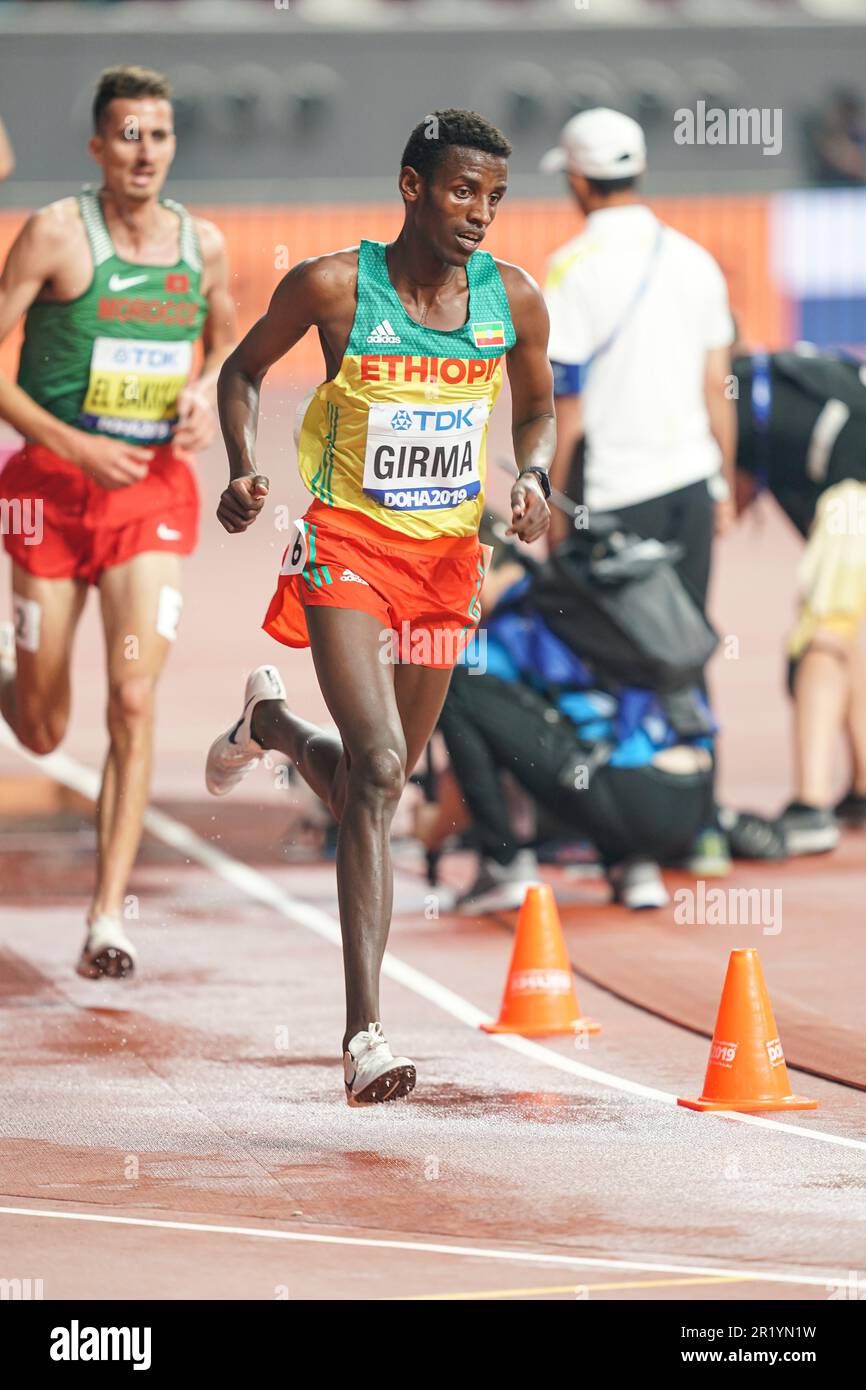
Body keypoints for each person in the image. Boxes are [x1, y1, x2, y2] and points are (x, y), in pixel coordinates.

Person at [206, 108, 553, 1106]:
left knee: (373, 785)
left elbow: (536, 401)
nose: (479, 214)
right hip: (346, 546)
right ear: (411, 188)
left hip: (447, 561)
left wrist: (530, 470)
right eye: (460, 191)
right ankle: (363, 1033)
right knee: (387, 767)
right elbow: (240, 371)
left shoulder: (513, 301)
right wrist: (240, 469)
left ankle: (266, 721)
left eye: (493, 196)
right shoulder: (332, 288)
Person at [0, 65, 236, 977]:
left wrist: (205, 392)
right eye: (128, 135)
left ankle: (108, 917)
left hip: (147, 491)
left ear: (173, 146)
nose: (145, 152)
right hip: (53, 491)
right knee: (45, 727)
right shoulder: (57, 234)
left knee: (134, 698)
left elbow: (222, 331)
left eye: (160, 136)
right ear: (99, 148)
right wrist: (73, 443)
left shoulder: (201, 244)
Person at [539, 106, 737, 874]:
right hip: (688, 482)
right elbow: (716, 387)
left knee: (614, 654)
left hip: (613, 493)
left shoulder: (571, 266)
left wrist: (551, 498)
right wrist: (721, 480)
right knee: (685, 648)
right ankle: (704, 821)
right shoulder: (694, 258)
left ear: (581, 181)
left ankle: (624, 825)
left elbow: (568, 400)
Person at [435, 519, 715, 913]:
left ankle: (504, 866)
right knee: (578, 727)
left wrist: (434, 830)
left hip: (632, 797)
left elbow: (476, 735)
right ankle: (631, 864)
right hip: (695, 800)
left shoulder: (510, 621)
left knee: (455, 686)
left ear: (477, 566)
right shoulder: (575, 593)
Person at [733, 345, 866, 852]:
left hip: (855, 482)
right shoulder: (776, 384)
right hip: (852, 476)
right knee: (842, 627)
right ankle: (860, 788)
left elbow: (726, 498)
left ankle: (810, 808)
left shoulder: (731, 404)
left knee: (822, 634)